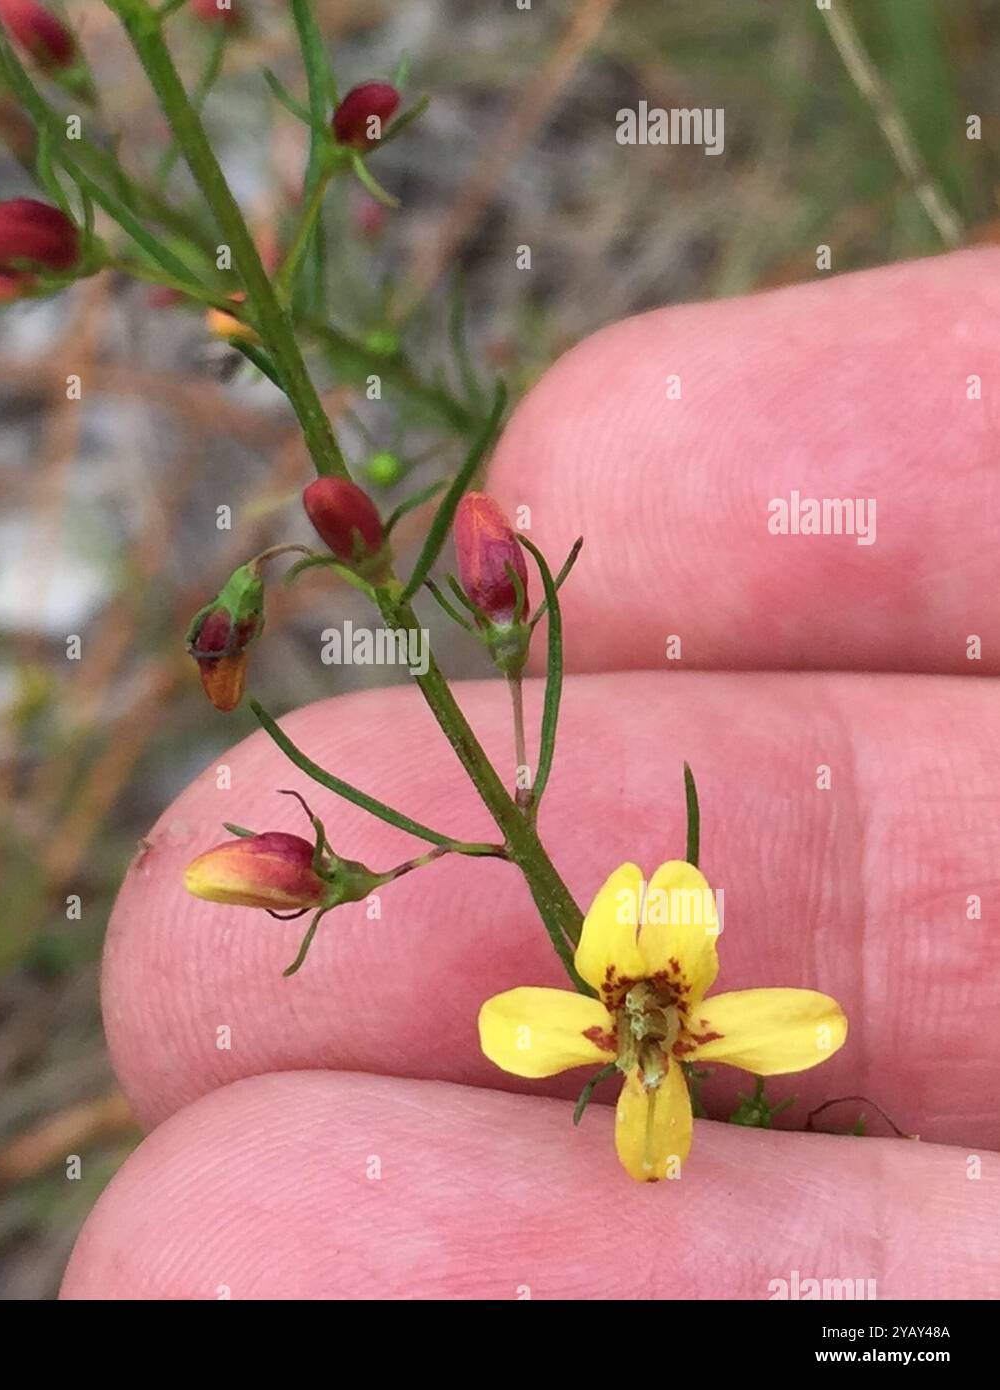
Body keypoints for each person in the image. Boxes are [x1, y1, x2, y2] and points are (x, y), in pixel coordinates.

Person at [62, 249, 1000, 1299]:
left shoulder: (647, 1027)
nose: (646, 1035)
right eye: (646, 1026)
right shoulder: (620, 1041)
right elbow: (535, 1028)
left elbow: (729, 996)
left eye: (647, 1023)